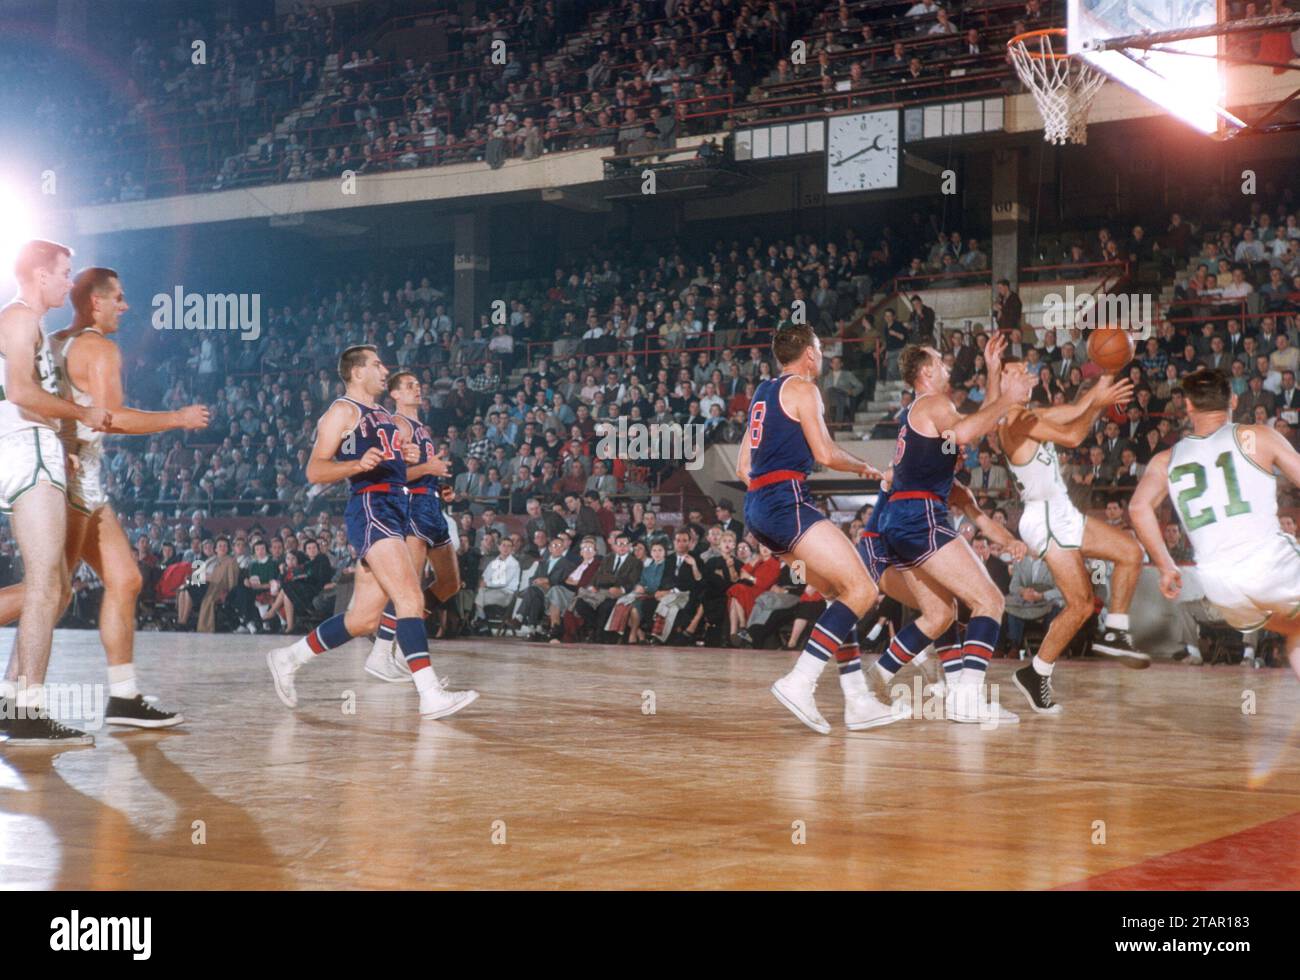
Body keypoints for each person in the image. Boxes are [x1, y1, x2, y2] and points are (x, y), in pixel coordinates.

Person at [0, 267, 206, 729]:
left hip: (74, 469)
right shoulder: (99, 347)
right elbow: (111, 417)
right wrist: (177, 418)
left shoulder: (53, 338)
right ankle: (23, 696)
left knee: (125, 579)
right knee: (49, 591)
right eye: (119, 298)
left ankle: (123, 696)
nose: (126, 306)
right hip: (73, 474)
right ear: (96, 302)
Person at [265, 345, 478, 720]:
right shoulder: (341, 411)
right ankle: (429, 695)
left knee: (363, 619)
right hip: (371, 506)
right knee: (410, 597)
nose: (384, 370)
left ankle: (288, 657)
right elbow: (315, 471)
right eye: (377, 364)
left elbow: (394, 462)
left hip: (395, 506)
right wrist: (354, 464)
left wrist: (409, 460)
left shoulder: (382, 415)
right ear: (357, 372)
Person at [737, 323, 902, 733]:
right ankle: (800, 681)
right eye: (821, 349)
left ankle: (857, 700)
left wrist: (769, 495)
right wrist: (865, 467)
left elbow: (743, 467)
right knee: (863, 589)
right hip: (785, 501)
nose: (823, 356)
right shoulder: (805, 389)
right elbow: (825, 453)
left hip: (758, 506)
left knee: (835, 594)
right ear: (809, 354)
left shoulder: (762, 392)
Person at [877, 337, 1034, 724]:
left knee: (939, 614)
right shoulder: (934, 403)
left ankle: (874, 678)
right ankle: (967, 698)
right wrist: (1010, 397)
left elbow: (976, 423)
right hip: (919, 515)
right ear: (925, 372)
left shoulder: (917, 417)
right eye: (941, 363)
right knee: (990, 602)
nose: (948, 368)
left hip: (897, 521)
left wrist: (994, 370)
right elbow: (966, 433)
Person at [0, 241, 111, 744]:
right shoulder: (20, 317)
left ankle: (10, 698)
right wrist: (78, 414)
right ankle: (27, 713)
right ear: (40, 275)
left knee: (56, 586)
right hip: (26, 446)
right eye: (64, 273)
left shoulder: (25, 321)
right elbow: (21, 392)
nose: (69, 283)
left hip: (31, 445)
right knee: (47, 584)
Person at [1131, 368, 1300, 686]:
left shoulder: (1165, 459)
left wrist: (1166, 567)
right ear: (1233, 400)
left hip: (1221, 586)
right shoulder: (1258, 437)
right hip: (1269, 565)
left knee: (1296, 629)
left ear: (1189, 407)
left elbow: (1138, 508)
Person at [996, 367, 1150, 715]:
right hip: (1044, 516)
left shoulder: (1030, 413)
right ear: (1003, 383)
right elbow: (1074, 436)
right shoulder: (1013, 420)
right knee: (1080, 604)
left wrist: (1097, 395)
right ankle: (1037, 673)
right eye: (1017, 372)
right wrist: (1098, 400)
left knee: (1130, 551)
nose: (1027, 375)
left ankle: (1115, 630)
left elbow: (1073, 417)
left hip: (1062, 510)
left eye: (1026, 371)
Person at [364, 371, 460, 681]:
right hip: (413, 508)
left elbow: (419, 470)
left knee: (450, 583)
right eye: (409, 386)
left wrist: (438, 484)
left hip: (432, 505)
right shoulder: (397, 425)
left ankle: (408, 629)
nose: (417, 388)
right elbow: (392, 475)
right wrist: (427, 470)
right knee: (408, 588)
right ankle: (382, 652)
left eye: (418, 383)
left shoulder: (422, 427)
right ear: (394, 394)